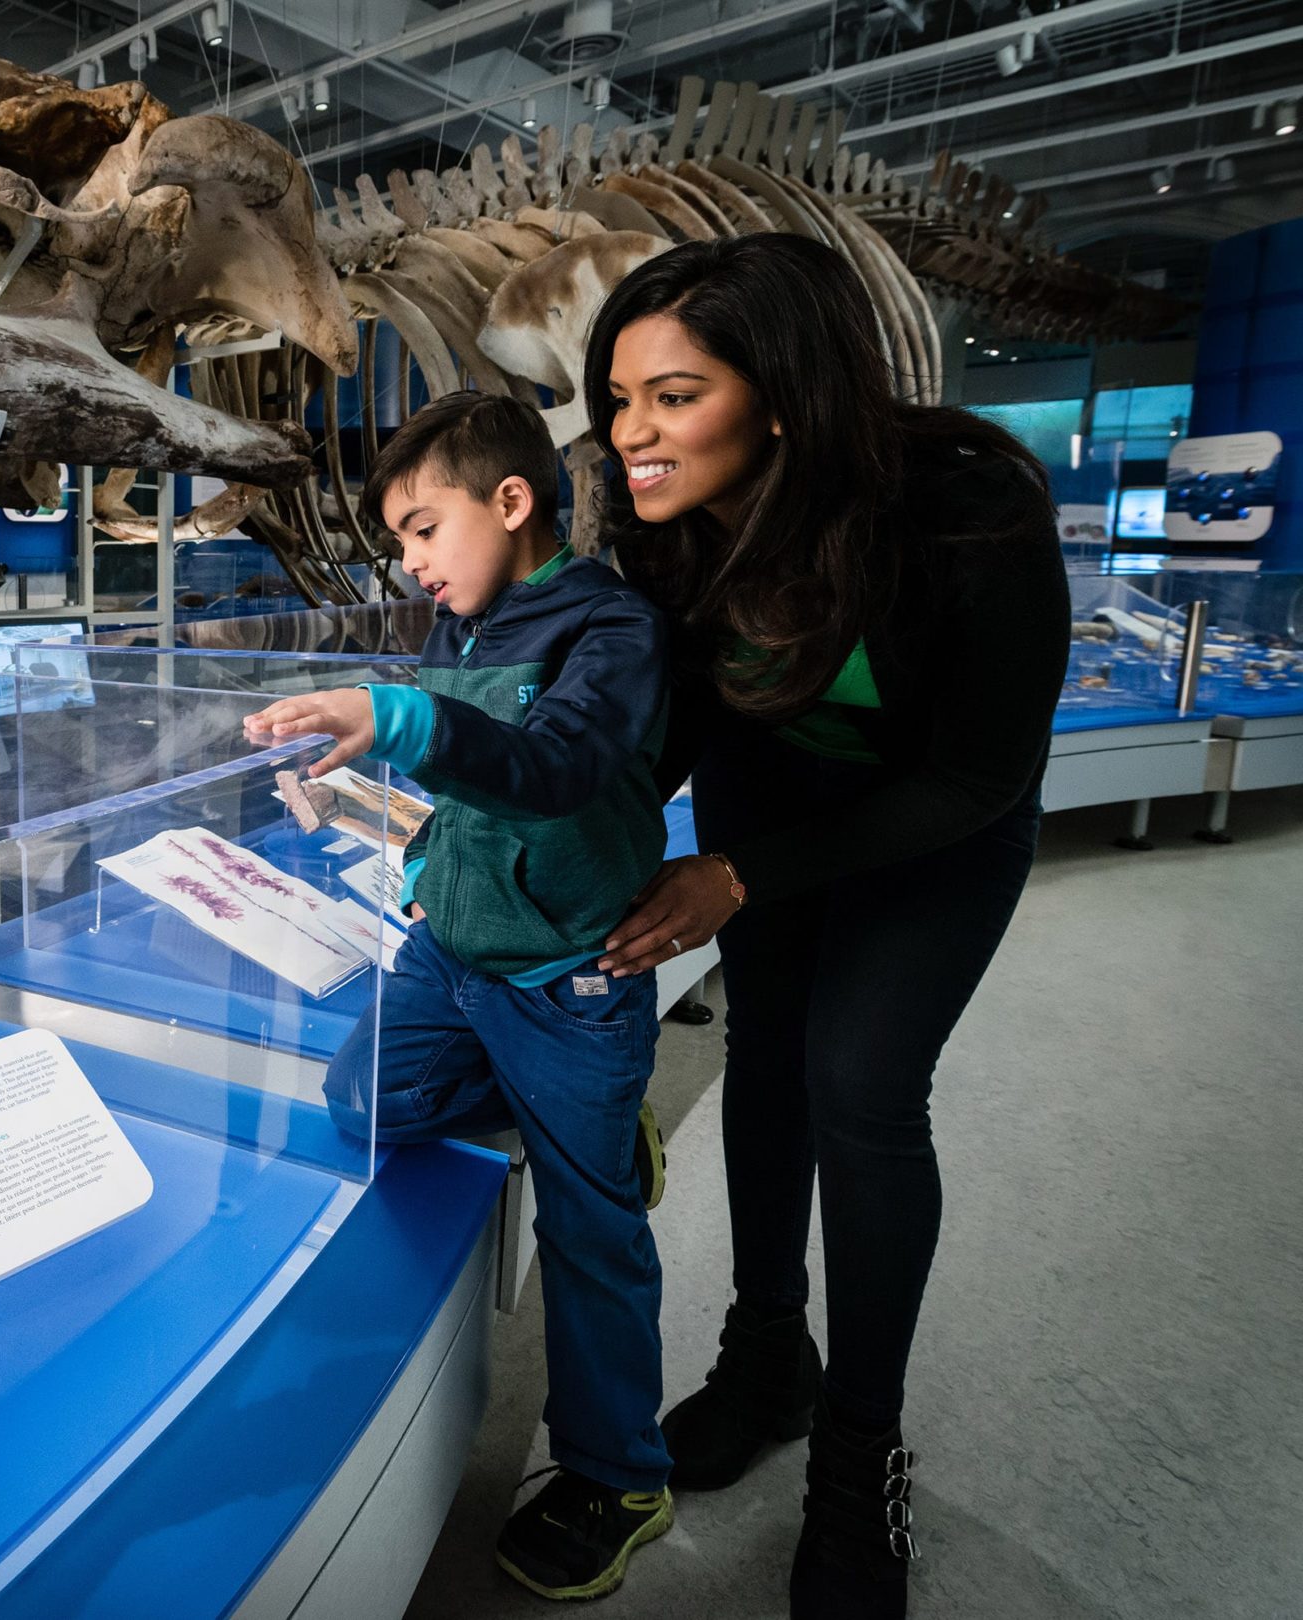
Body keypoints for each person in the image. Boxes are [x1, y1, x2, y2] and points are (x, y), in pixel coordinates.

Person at [583, 235, 1068, 1619]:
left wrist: (735, 878)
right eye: (619, 400)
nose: (631, 436)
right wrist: (557, 830)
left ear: (782, 393)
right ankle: (764, 1358)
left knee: (862, 1083)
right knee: (772, 1059)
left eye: (672, 397)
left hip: (945, 818)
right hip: (773, 790)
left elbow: (977, 775)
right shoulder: (667, 523)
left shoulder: (971, 509)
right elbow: (668, 727)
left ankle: (862, 1457)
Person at [246, 392, 676, 1603]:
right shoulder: (463, 626)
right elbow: (465, 781)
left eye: (422, 528)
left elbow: (552, 769)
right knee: (363, 1099)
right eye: (398, 542)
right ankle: (576, 1110)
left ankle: (619, 1475)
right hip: (453, 952)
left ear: (511, 500)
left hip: (565, 979)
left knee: (590, 1234)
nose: (410, 561)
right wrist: (389, 815)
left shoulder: (614, 628)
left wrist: (389, 715)